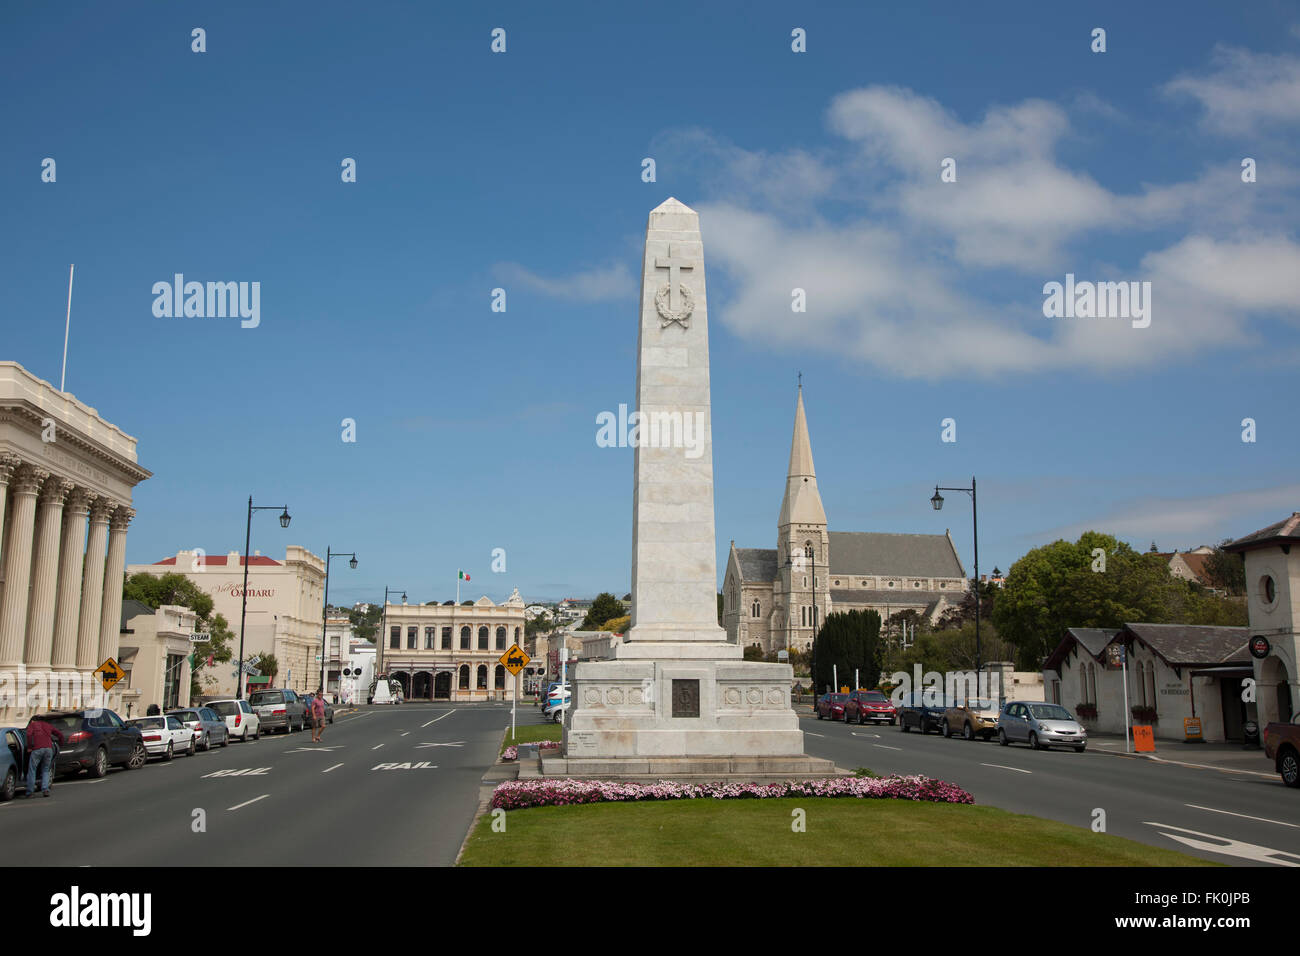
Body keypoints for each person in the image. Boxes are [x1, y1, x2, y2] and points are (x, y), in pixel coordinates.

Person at [24, 715, 65, 798]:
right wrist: (61, 743)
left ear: (34, 720)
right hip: (48, 749)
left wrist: (29, 747)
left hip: (37, 749)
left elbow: (28, 735)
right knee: (46, 769)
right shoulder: (48, 725)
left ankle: (30, 792)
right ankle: (45, 789)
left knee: (32, 769)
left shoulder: (33, 725)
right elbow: (60, 734)